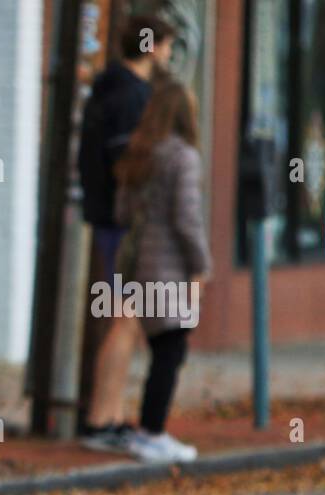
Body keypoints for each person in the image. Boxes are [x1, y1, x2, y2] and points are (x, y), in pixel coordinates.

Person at [77, 14, 176, 453]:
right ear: (153, 47)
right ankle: (102, 419)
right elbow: (128, 168)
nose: (169, 53)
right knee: (123, 319)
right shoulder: (132, 97)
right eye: (167, 44)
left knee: (124, 318)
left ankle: (110, 417)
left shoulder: (108, 90)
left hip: (109, 221)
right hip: (125, 225)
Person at [113, 80, 211, 463]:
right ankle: (152, 432)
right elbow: (187, 220)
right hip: (170, 266)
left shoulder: (140, 154)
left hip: (139, 263)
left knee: (161, 349)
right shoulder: (183, 157)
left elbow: (122, 212)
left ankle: (148, 431)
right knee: (171, 351)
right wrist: (201, 266)